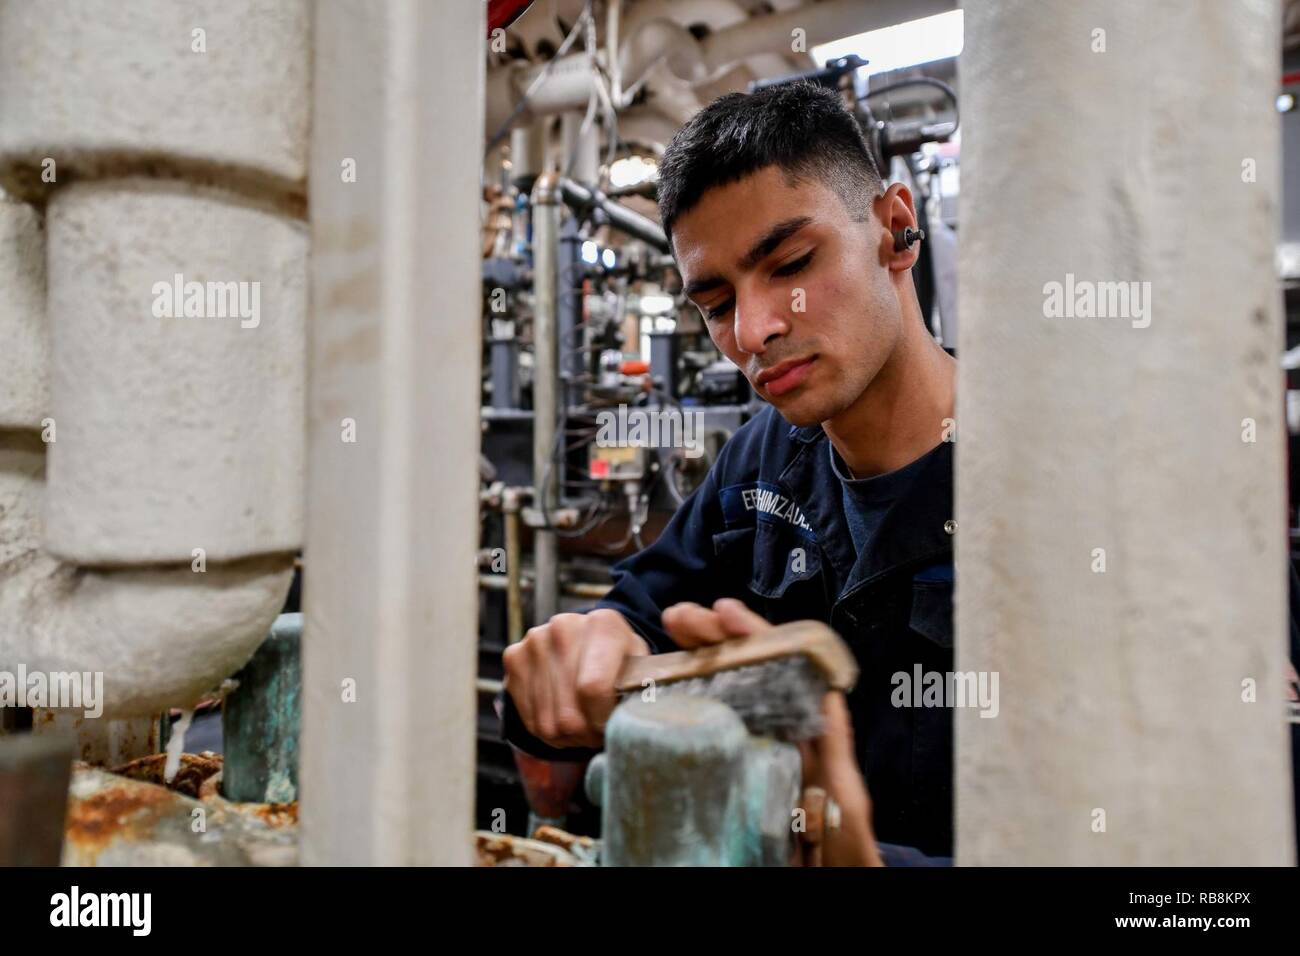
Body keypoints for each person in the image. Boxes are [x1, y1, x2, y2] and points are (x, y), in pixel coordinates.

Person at [500, 81, 1300, 865]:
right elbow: (637, 613)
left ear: (895, 229)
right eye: (715, 303)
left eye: (790, 263)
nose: (753, 330)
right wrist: (575, 655)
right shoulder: (761, 467)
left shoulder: (1103, 485)